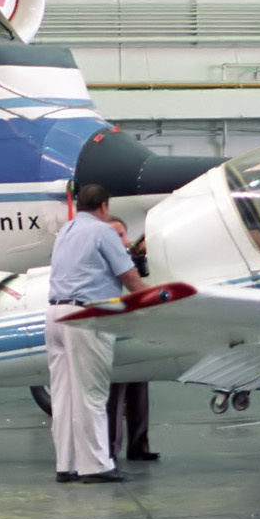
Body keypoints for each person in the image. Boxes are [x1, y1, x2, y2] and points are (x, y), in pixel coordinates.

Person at [46, 185, 147, 484]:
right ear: (104, 205)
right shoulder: (103, 232)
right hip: (87, 315)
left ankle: (67, 465)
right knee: (91, 393)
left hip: (54, 314)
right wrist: (155, 300)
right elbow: (128, 276)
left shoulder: (65, 231)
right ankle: (97, 466)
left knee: (63, 395)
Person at [105, 217, 160, 464]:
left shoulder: (134, 258)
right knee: (116, 394)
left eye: (121, 235)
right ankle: (110, 449)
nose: (119, 240)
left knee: (140, 391)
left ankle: (139, 445)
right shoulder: (107, 261)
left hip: (139, 330)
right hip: (117, 329)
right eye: (113, 235)